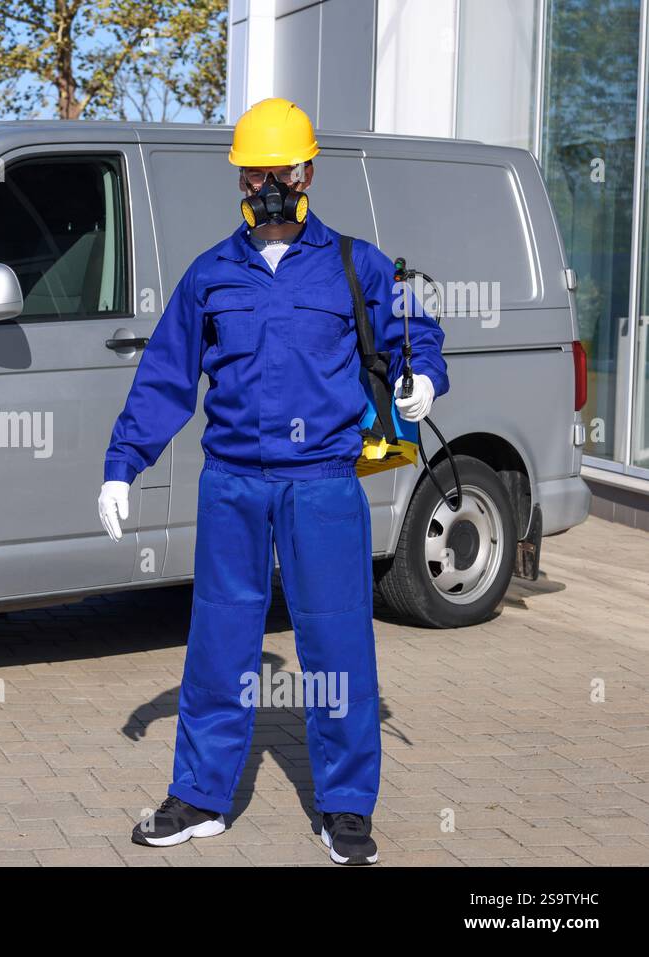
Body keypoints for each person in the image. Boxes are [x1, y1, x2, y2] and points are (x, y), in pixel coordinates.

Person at [98, 97, 448, 865]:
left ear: (308, 172)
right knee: (218, 641)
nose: (266, 184)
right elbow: (164, 378)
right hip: (231, 484)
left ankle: (345, 807)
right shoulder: (211, 273)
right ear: (240, 181)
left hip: (322, 484)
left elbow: (416, 331)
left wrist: (425, 382)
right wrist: (124, 465)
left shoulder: (356, 263)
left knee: (338, 641)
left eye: (279, 171)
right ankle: (199, 794)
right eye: (253, 173)